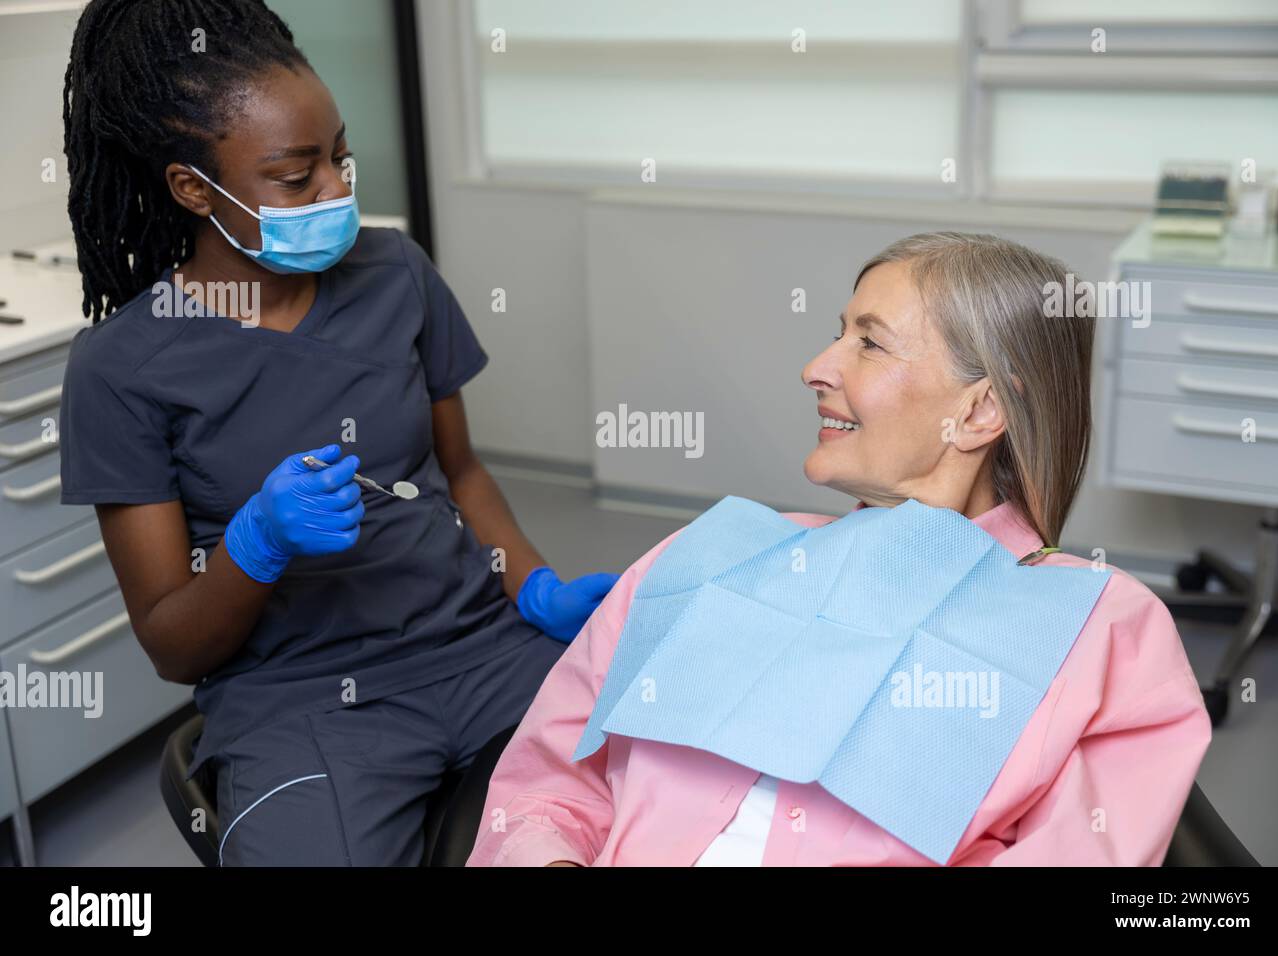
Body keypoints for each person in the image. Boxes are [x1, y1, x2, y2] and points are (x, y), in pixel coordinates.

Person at [58, 0, 612, 866]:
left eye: (341, 156)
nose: (337, 189)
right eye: (296, 174)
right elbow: (171, 644)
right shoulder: (123, 369)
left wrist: (532, 587)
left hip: (478, 646)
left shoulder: (396, 275)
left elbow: (462, 473)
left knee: (674, 795)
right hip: (301, 700)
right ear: (194, 187)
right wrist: (256, 545)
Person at [467, 232, 1213, 867]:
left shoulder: (1097, 629)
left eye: (869, 343)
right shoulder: (711, 556)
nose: (817, 368)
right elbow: (549, 785)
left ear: (980, 408)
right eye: (839, 333)